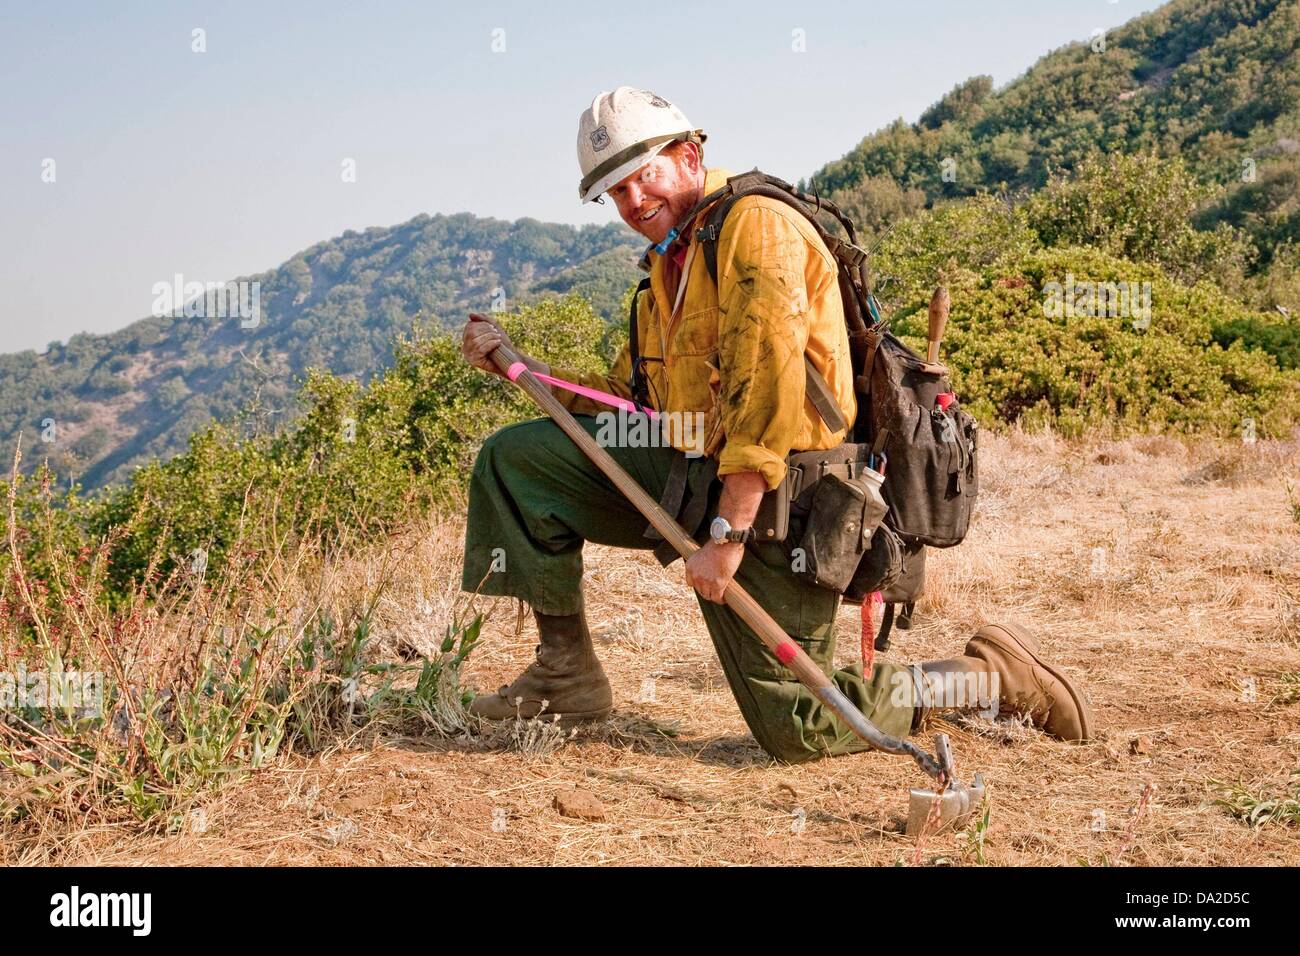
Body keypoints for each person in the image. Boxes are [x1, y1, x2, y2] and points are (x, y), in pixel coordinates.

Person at [458, 87, 1092, 762]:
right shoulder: (669, 268)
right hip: (697, 472)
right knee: (520, 463)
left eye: (645, 176)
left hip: (791, 500)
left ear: (689, 154)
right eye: (614, 192)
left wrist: (727, 536)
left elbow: (767, 393)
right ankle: (566, 677)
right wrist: (524, 366)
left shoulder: (754, 227)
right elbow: (629, 400)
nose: (633, 202)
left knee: (800, 729)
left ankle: (985, 677)